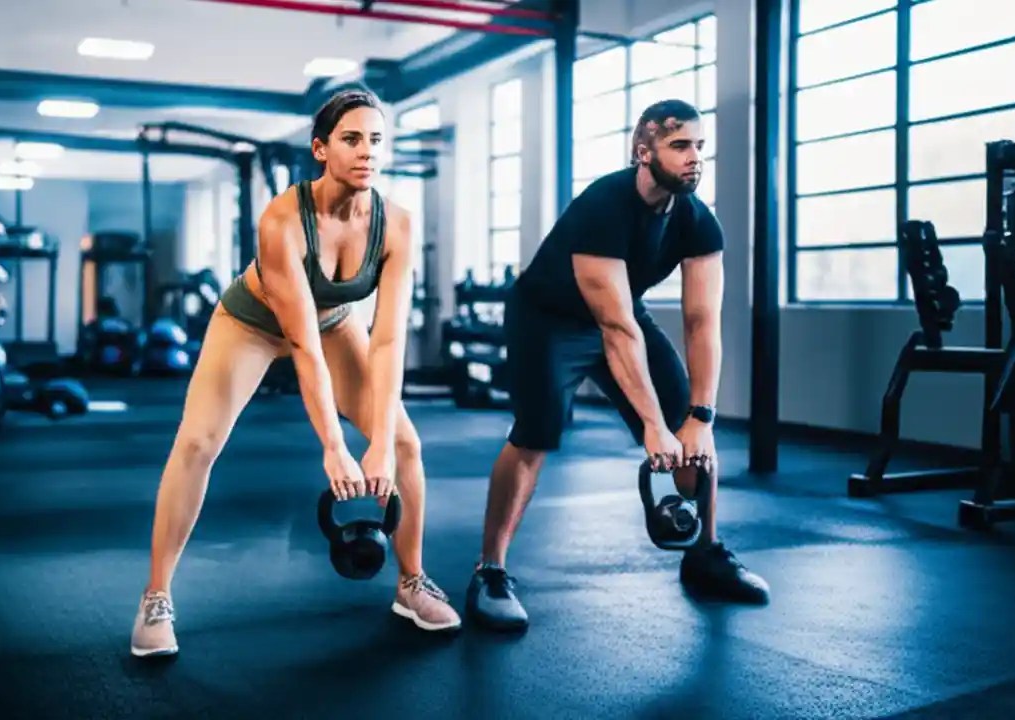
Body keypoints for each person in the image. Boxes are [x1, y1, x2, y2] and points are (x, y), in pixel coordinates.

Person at [130, 89, 461, 658]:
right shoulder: (282, 219)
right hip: (253, 323)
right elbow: (301, 346)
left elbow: (386, 339)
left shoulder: (396, 225)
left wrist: (377, 442)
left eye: (376, 140)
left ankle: (411, 582)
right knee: (198, 442)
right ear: (321, 149)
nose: (366, 152)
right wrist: (335, 447)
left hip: (333, 323)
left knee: (405, 442)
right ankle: (155, 597)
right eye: (351, 139)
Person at [465, 99, 771, 632]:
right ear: (643, 151)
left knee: (694, 429)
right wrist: (652, 428)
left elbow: (702, 322)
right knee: (536, 433)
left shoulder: (698, 222)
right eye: (680, 146)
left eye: (699, 146)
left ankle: (705, 552)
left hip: (623, 312)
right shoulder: (604, 205)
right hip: (550, 318)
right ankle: (490, 570)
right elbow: (615, 329)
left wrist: (699, 416)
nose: (694, 158)